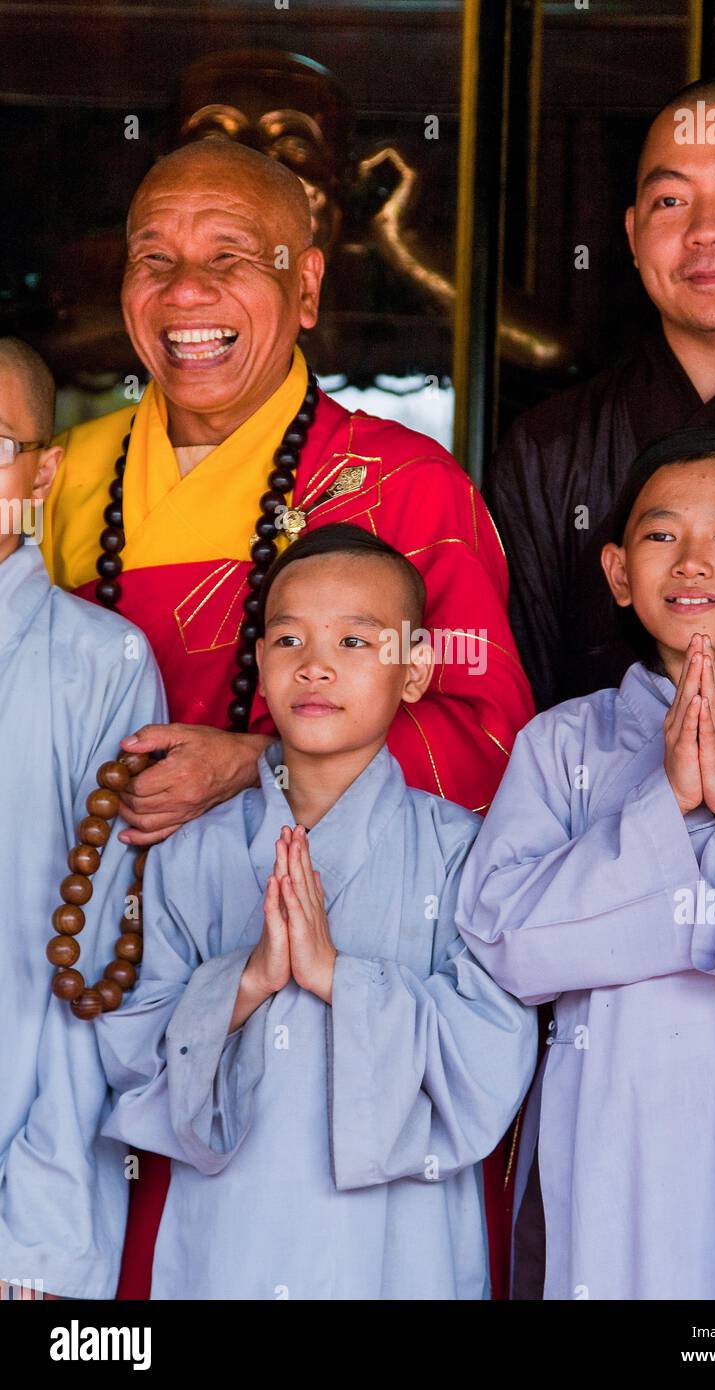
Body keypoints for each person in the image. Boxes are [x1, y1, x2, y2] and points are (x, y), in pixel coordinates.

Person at [39, 139, 534, 1296]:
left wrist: (254, 758)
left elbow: (485, 740)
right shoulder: (60, 480)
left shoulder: (406, 488)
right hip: (66, 965)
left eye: (229, 258)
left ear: (307, 285)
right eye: (153, 258)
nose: (186, 293)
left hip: (300, 991)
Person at [457, 426, 715, 1300]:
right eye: (659, 535)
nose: (692, 563)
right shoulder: (559, 743)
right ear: (615, 571)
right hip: (613, 1130)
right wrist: (663, 805)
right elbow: (501, 940)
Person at [96, 524, 536, 1299]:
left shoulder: (466, 852)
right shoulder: (190, 855)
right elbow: (130, 1055)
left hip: (402, 1247)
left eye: (356, 642)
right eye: (290, 638)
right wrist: (245, 982)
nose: (317, 665)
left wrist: (337, 976)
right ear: (260, 666)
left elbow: (494, 1061)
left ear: (414, 672)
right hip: (229, 1236)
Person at [486, 78, 715, 716]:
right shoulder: (550, 448)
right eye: (670, 200)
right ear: (634, 236)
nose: (706, 231)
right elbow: (513, 711)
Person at [0, 339, 166, 1300]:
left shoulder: (99, 664)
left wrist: (45, 1227)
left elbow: (96, 954)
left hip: (21, 1184)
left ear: (44, 469)